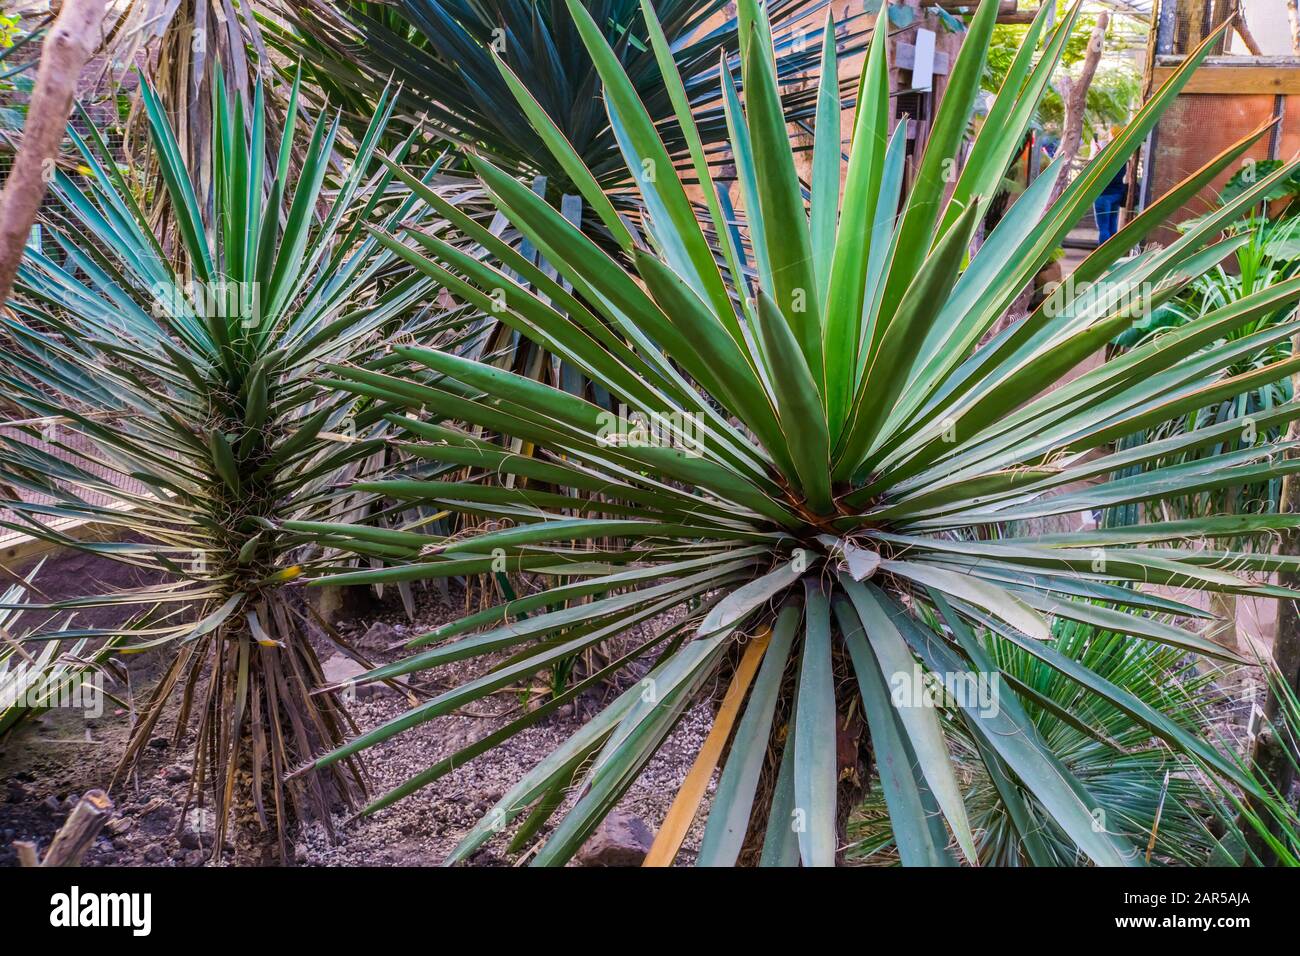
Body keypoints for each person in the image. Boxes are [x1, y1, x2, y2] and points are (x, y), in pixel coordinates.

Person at [1093, 128, 1128, 244]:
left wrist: (1096, 157)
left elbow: (1096, 174)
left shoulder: (1107, 157)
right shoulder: (1123, 155)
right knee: (1112, 226)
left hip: (1104, 195)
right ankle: (1112, 254)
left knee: (1103, 228)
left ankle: (1103, 256)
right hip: (1117, 194)